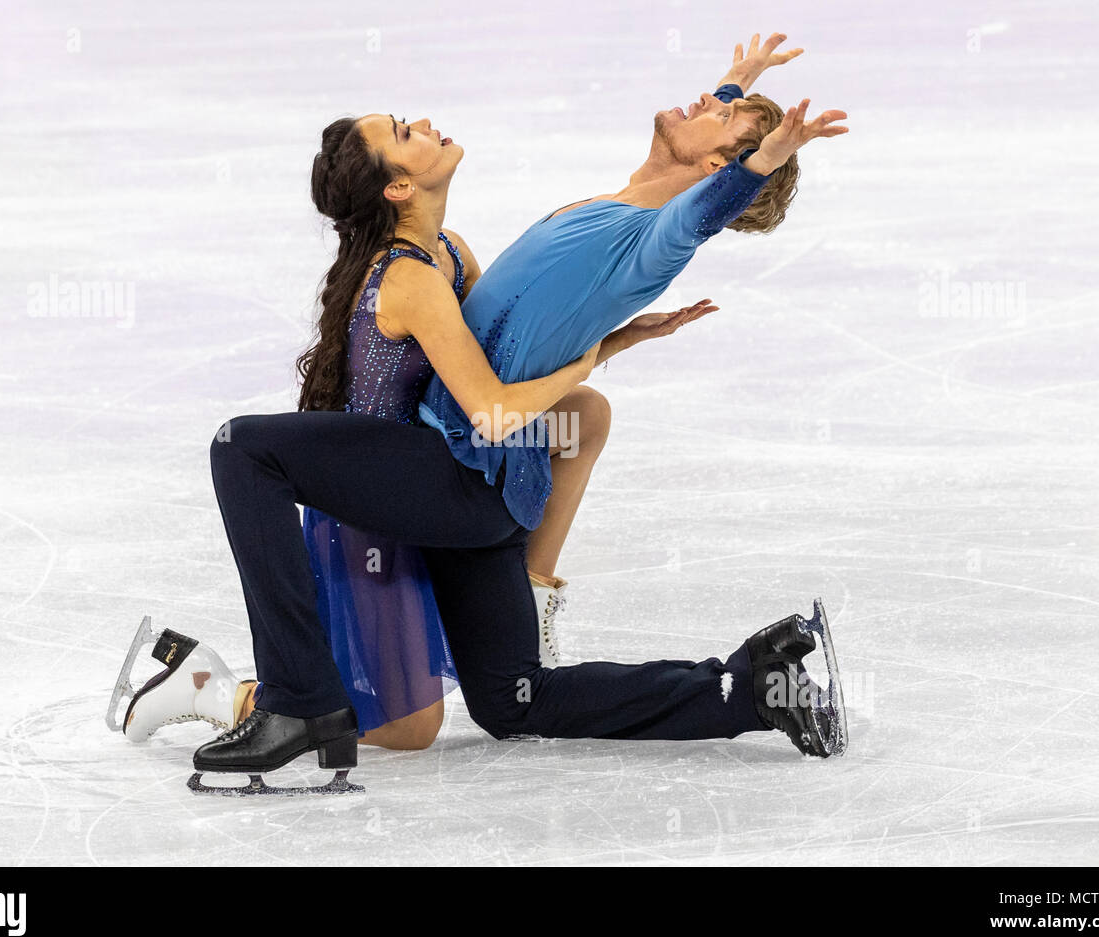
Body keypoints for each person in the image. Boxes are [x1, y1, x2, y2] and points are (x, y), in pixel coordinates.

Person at [189, 34, 849, 795]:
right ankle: (748, 689)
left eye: (722, 119)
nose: (707, 103)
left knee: (242, 447)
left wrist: (764, 159)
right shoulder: (624, 201)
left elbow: (702, 212)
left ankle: (295, 701)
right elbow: (701, 163)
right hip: (492, 487)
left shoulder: (654, 239)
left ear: (717, 171)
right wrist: (735, 86)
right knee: (514, 699)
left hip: (456, 467)